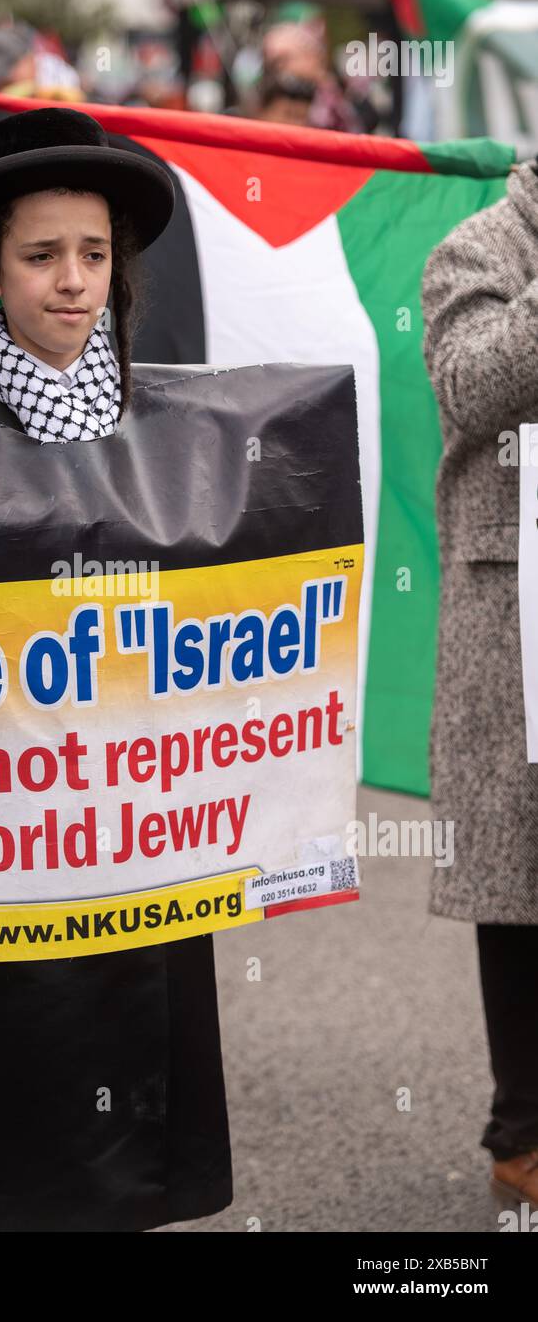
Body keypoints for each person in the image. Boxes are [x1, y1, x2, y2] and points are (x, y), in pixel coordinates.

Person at [0, 106, 233, 1231]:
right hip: (2, 834)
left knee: (141, 1097)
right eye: (40, 254)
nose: (72, 281)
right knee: (18, 1078)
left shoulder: (183, 433)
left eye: (93, 255)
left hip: (143, 822)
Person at [422, 156, 538, 1209]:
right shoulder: (480, 247)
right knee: (520, 881)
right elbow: (472, 385)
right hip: (515, 618)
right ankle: (523, 1133)